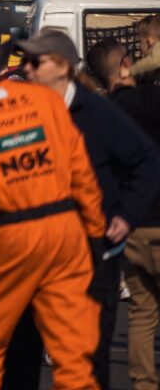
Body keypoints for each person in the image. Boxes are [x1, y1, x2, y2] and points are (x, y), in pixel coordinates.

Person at [0, 26, 107, 390]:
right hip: (65, 229)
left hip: (10, 232)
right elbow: (81, 169)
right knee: (73, 353)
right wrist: (93, 231)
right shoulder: (44, 100)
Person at [1, 28, 160, 390]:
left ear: (60, 66)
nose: (25, 69)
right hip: (31, 250)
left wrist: (126, 217)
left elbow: (146, 161)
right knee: (20, 354)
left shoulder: (98, 113)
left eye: (33, 62)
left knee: (86, 362)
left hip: (91, 255)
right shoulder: (19, 111)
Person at [86, 38, 160, 388]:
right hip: (158, 218)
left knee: (142, 313)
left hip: (127, 224)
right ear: (128, 63)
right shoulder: (149, 100)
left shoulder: (103, 110)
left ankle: (143, 383)